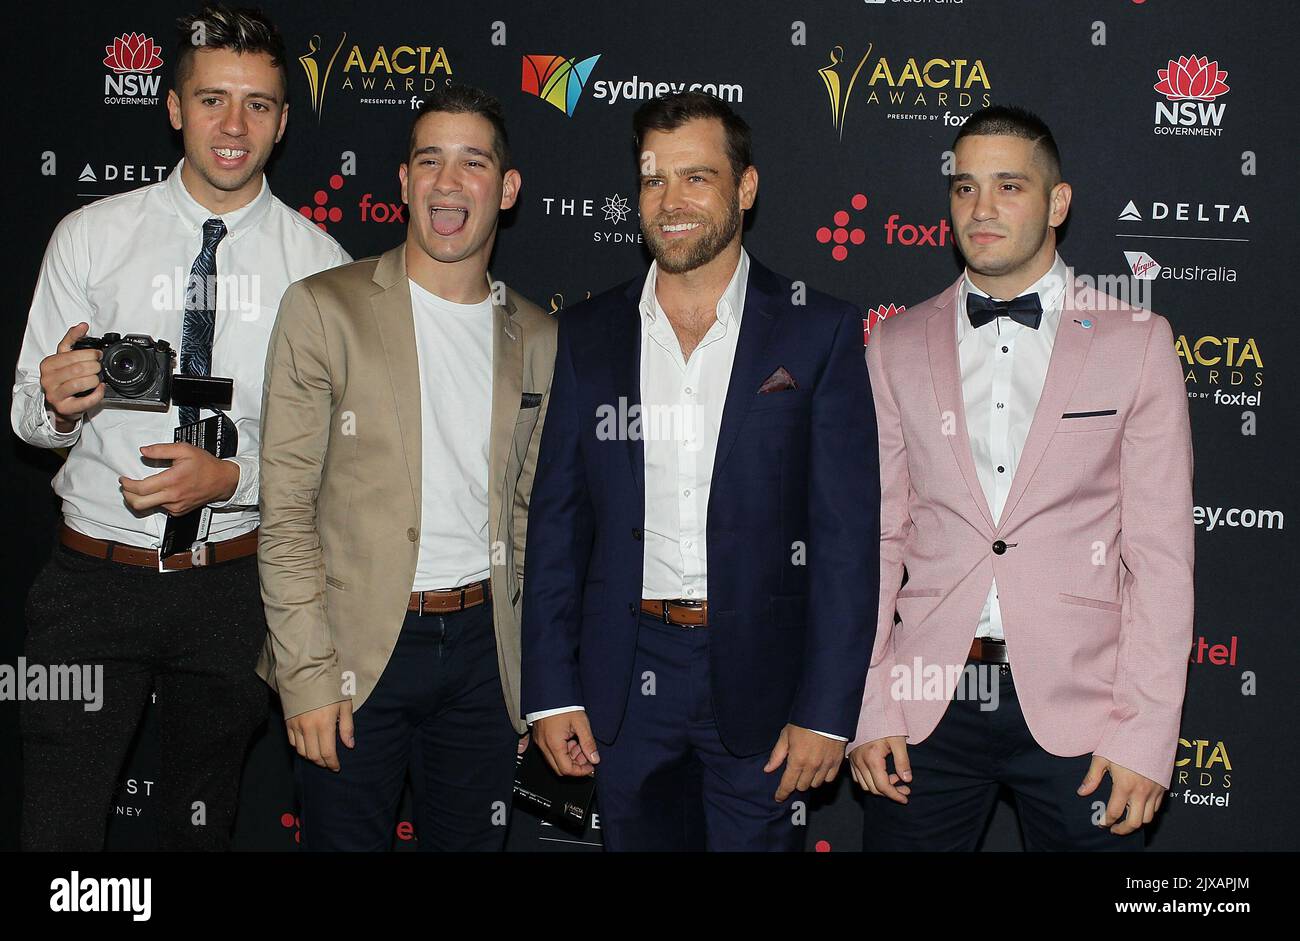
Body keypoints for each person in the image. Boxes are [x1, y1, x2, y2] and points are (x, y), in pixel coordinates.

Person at [12, 4, 348, 851]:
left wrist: (235, 479)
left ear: (281, 120)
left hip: (234, 586)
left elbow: (338, 455)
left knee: (202, 823)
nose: (234, 126)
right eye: (212, 100)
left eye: (259, 104)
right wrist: (55, 403)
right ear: (172, 107)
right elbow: (26, 416)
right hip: (90, 578)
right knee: (57, 822)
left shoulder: (322, 265)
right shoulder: (89, 236)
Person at [522, 92, 878, 852]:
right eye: (653, 180)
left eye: (696, 178)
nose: (671, 201)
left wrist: (826, 709)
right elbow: (557, 522)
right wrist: (550, 691)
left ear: (745, 188)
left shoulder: (818, 329)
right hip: (622, 676)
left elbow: (846, 541)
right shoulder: (588, 333)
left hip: (762, 680)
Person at [847, 105, 1194, 851]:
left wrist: (1145, 733)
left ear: (1056, 203)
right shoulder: (896, 344)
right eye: (965, 187)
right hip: (924, 709)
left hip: (1086, 710)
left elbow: (1161, 556)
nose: (982, 209)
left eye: (1009, 186)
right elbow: (875, 539)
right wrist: (871, 705)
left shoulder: (1138, 342)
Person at [257, 84, 556, 851]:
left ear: (508, 188)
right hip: (355, 657)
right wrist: (309, 675)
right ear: (403, 182)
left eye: (472, 162)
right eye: (430, 160)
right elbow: (285, 509)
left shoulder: (540, 334)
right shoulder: (325, 307)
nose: (448, 182)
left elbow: (527, 519)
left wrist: (523, 685)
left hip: (484, 663)